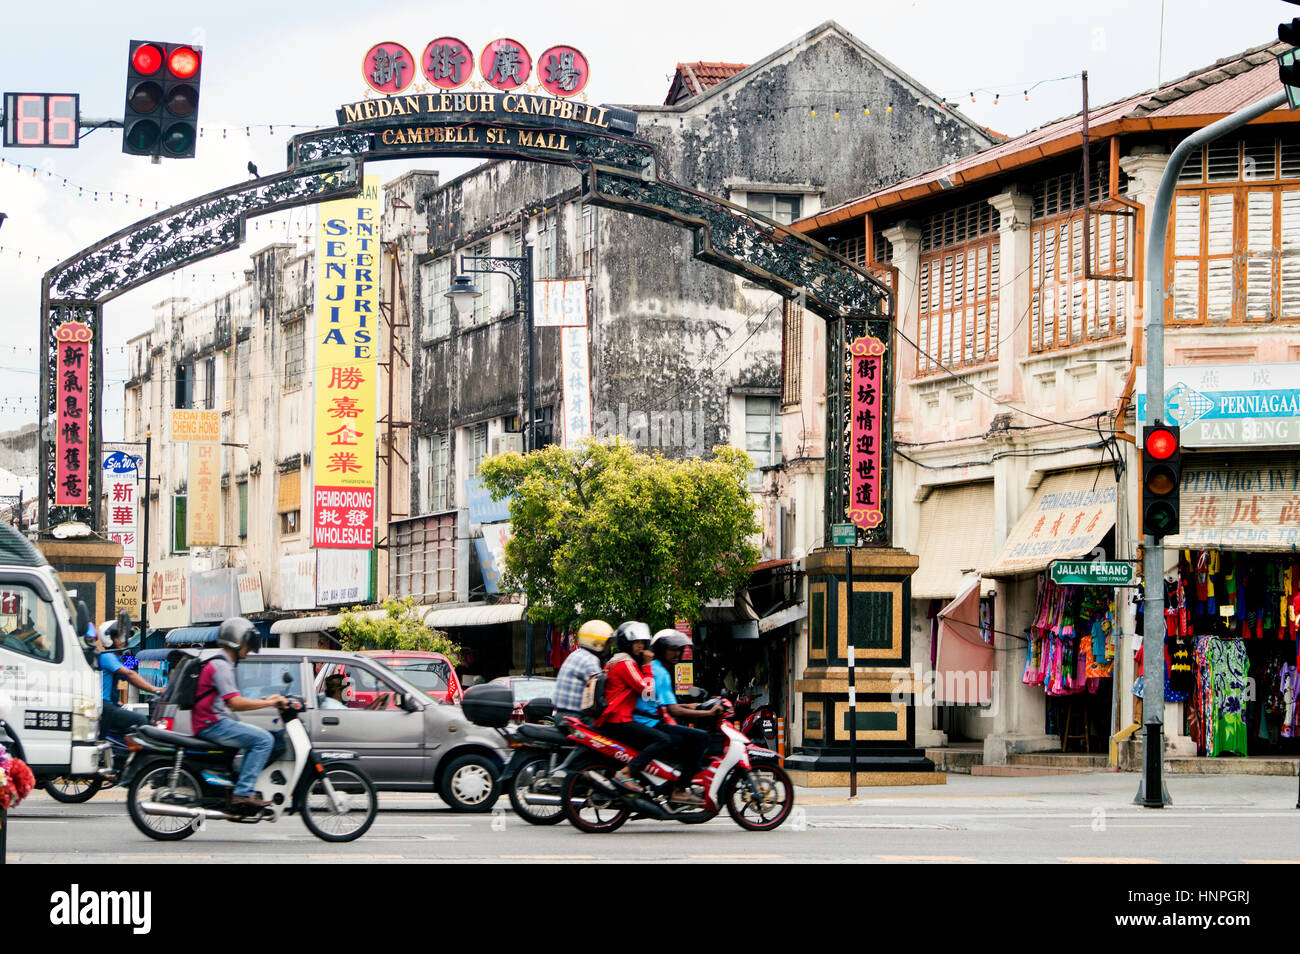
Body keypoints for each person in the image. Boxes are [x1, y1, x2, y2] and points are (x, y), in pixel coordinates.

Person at [191, 617, 288, 809]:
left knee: (261, 736)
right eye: (247, 642)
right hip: (212, 724)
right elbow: (235, 703)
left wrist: (267, 700)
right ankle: (243, 792)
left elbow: (233, 699)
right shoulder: (221, 666)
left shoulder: (223, 663)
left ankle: (239, 785)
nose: (249, 647)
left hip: (214, 721)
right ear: (237, 641)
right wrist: (269, 703)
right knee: (264, 740)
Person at [633, 630, 726, 805]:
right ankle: (679, 789)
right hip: (648, 723)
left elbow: (670, 704)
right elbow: (674, 710)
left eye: (680, 649)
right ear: (661, 649)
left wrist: (699, 705)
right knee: (701, 738)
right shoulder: (660, 672)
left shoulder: (657, 669)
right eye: (672, 649)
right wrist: (707, 713)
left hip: (647, 721)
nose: (677, 653)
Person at [595, 621, 672, 795]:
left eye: (643, 643)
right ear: (626, 644)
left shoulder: (617, 661)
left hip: (616, 718)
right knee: (663, 739)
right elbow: (647, 691)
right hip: (618, 720)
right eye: (636, 643)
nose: (641, 647)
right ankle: (626, 773)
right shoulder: (625, 663)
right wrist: (647, 665)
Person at [97, 618, 159, 739]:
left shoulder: (117, 658)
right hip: (105, 707)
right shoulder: (107, 656)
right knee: (141, 720)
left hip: (110, 705)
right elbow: (130, 674)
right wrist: (155, 689)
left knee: (129, 730)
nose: (122, 641)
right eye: (118, 637)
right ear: (109, 638)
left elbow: (135, 667)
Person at [552, 619, 614, 721]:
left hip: (561, 714)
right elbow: (599, 688)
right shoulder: (590, 660)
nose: (609, 648)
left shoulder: (576, 654)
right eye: (607, 644)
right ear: (598, 643)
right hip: (575, 717)